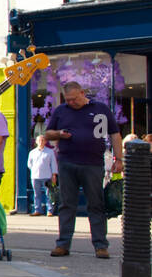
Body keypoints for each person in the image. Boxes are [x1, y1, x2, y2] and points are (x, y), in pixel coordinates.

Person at [44, 81, 122, 259]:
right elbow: (47, 134)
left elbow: (114, 134)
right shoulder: (61, 111)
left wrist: (119, 158)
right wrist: (59, 135)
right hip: (67, 162)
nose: (71, 103)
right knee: (66, 204)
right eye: (68, 100)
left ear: (82, 93)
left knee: (96, 204)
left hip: (93, 164)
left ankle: (101, 246)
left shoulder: (101, 109)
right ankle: (63, 244)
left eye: (74, 99)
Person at [27, 134, 58, 216]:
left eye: (42, 140)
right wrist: (34, 169)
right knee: (36, 194)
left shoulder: (50, 152)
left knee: (49, 194)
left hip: (47, 176)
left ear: (45, 142)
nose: (41, 142)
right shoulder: (32, 152)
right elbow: (29, 164)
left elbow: (53, 164)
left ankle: (50, 211)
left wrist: (54, 174)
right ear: (36, 142)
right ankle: (37, 210)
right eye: (39, 140)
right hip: (35, 176)